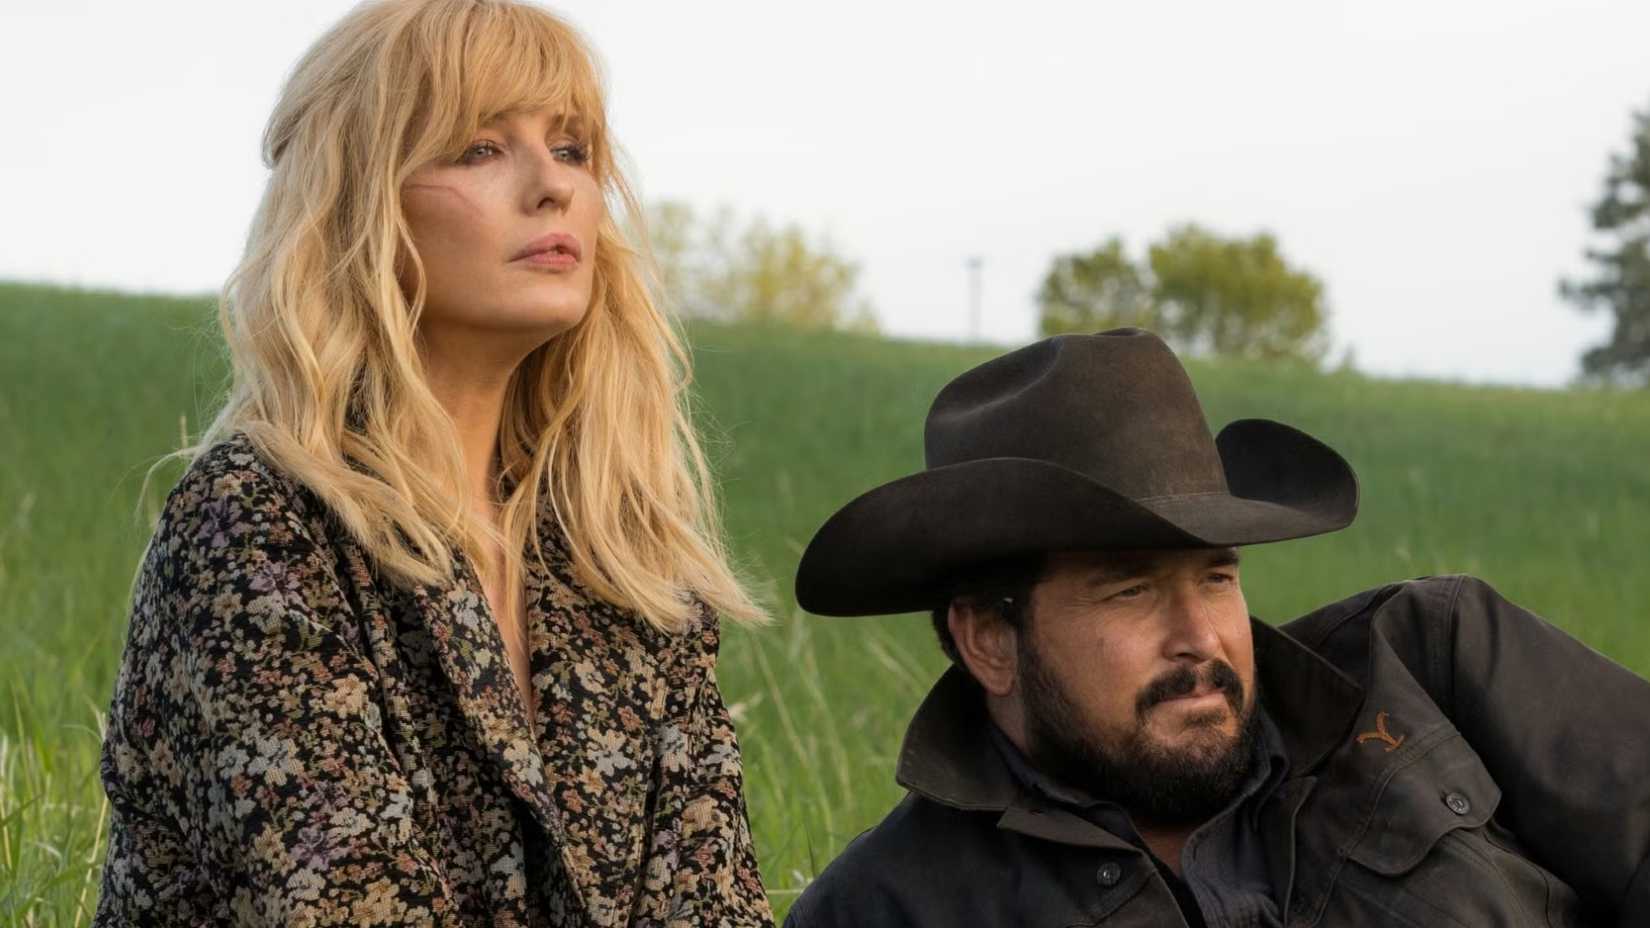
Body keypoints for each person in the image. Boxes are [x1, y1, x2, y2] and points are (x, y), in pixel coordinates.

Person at [93, 1, 773, 924]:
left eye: (571, 150)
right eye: (480, 149)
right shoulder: (257, 527)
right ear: (358, 201)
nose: (553, 187)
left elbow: (715, 907)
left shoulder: (629, 568)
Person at [783, 327, 1650, 927]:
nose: (1200, 636)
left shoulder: (1434, 661)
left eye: (1218, 576)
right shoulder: (887, 908)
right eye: (1129, 591)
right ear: (989, 640)